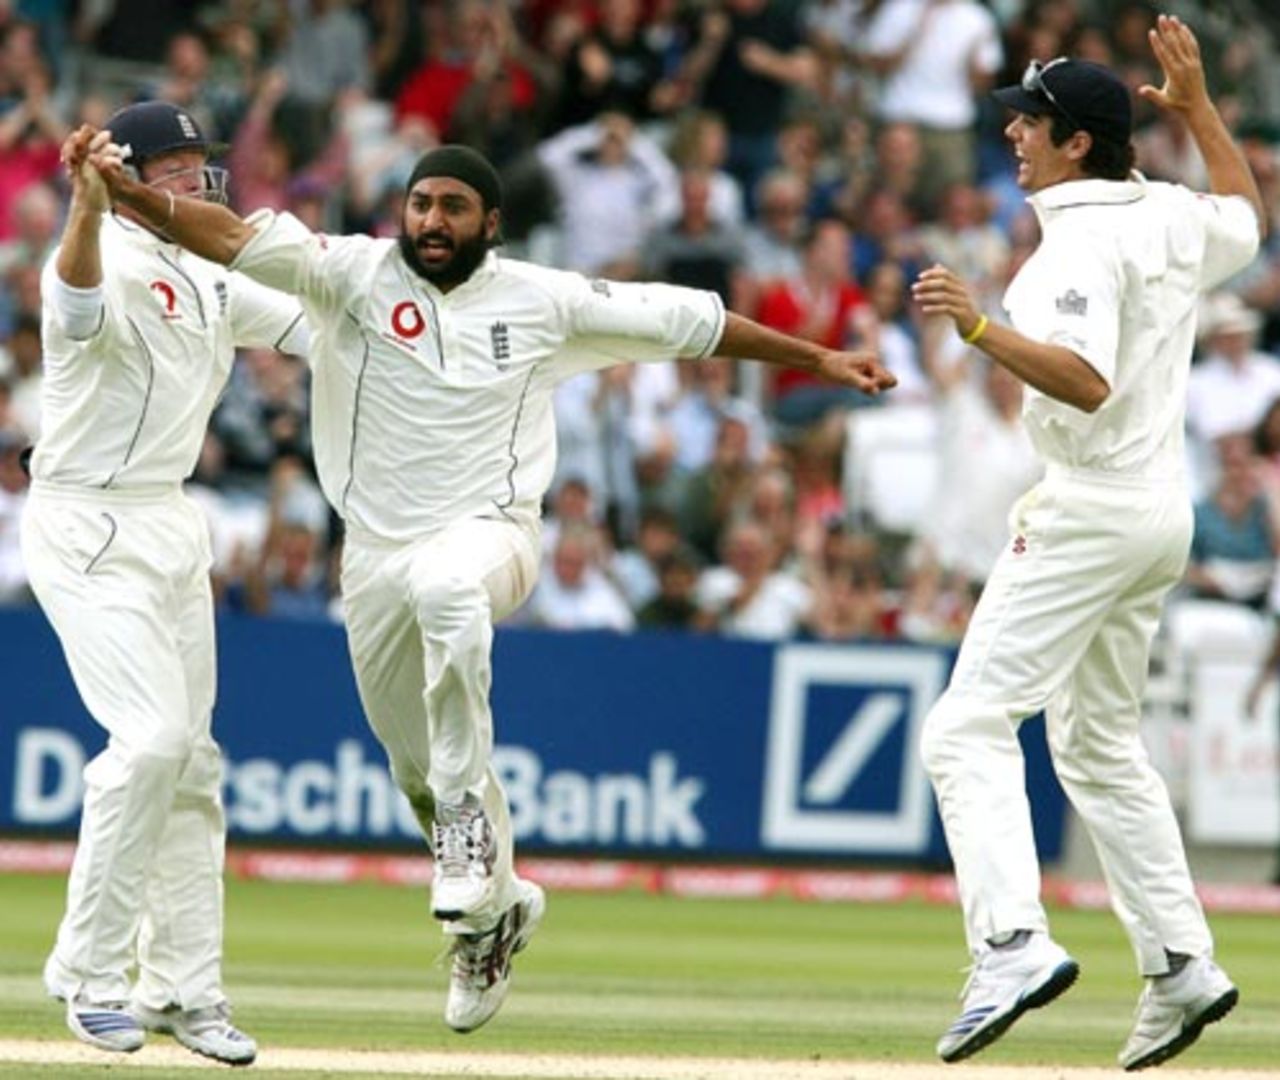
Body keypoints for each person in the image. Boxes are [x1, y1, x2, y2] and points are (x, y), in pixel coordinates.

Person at [81, 136, 896, 1035]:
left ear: (491, 223)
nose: (433, 221)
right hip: (374, 558)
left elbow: (688, 321)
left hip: (492, 538)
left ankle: (470, 825)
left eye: (454, 208)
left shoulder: (543, 300)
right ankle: (495, 908)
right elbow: (230, 238)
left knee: (448, 594)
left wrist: (817, 361)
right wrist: (126, 192)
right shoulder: (347, 272)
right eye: (422, 204)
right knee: (409, 765)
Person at [909, 15, 1265, 1069]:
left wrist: (977, 327)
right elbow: (1245, 215)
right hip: (1157, 508)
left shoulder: (1077, 243)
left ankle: (1009, 944)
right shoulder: (1165, 212)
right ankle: (1180, 964)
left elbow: (1082, 379)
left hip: (1091, 505)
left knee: (963, 728)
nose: (1012, 135)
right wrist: (1198, 110)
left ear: (1075, 143)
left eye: (1030, 123)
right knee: (1097, 747)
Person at [25, 102, 307, 1064]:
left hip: (169, 519)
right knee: (148, 742)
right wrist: (87, 205)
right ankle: (89, 974)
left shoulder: (210, 274)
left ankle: (187, 992)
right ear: (134, 176)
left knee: (194, 765)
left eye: (202, 166)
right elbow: (73, 304)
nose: (199, 183)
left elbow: (313, 317)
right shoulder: (93, 250)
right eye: (178, 169)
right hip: (85, 518)